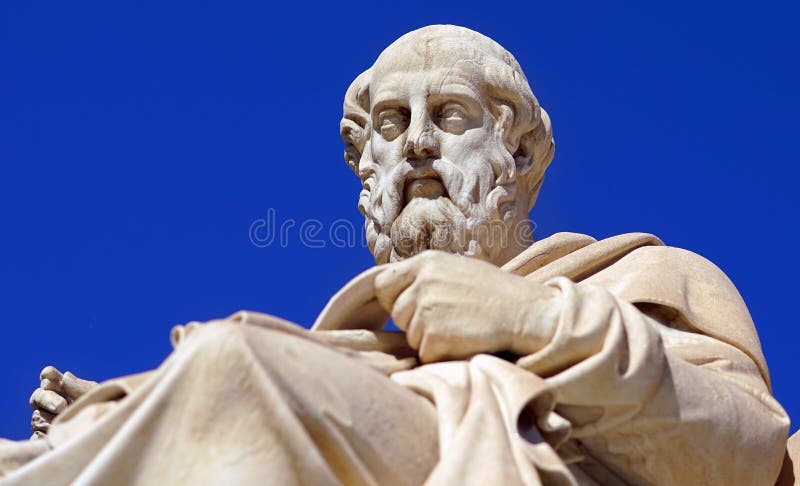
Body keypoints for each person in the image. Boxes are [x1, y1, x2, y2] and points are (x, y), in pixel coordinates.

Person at [0, 25, 791, 485]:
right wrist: (136, 419)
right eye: (389, 124)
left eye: (448, 115)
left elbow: (751, 455)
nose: (414, 143)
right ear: (366, 170)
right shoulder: (361, 344)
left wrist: (531, 320)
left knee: (231, 368)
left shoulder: (643, 277)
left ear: (518, 157)